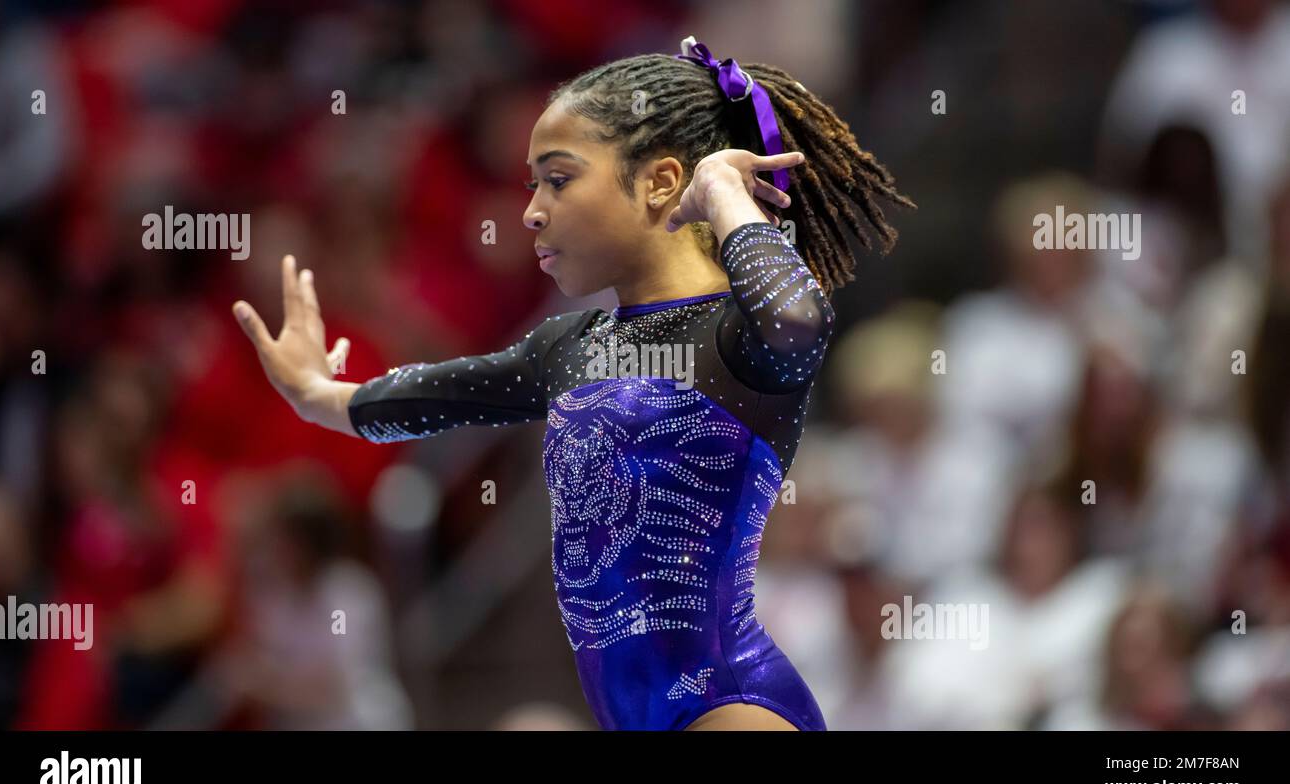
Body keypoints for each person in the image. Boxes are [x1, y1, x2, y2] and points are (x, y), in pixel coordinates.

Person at [232, 37, 912, 730]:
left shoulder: (736, 339)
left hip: (730, 703)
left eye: (559, 180)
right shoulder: (570, 346)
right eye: (533, 185)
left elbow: (800, 317)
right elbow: (436, 397)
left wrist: (725, 195)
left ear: (659, 181)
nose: (531, 211)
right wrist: (319, 395)